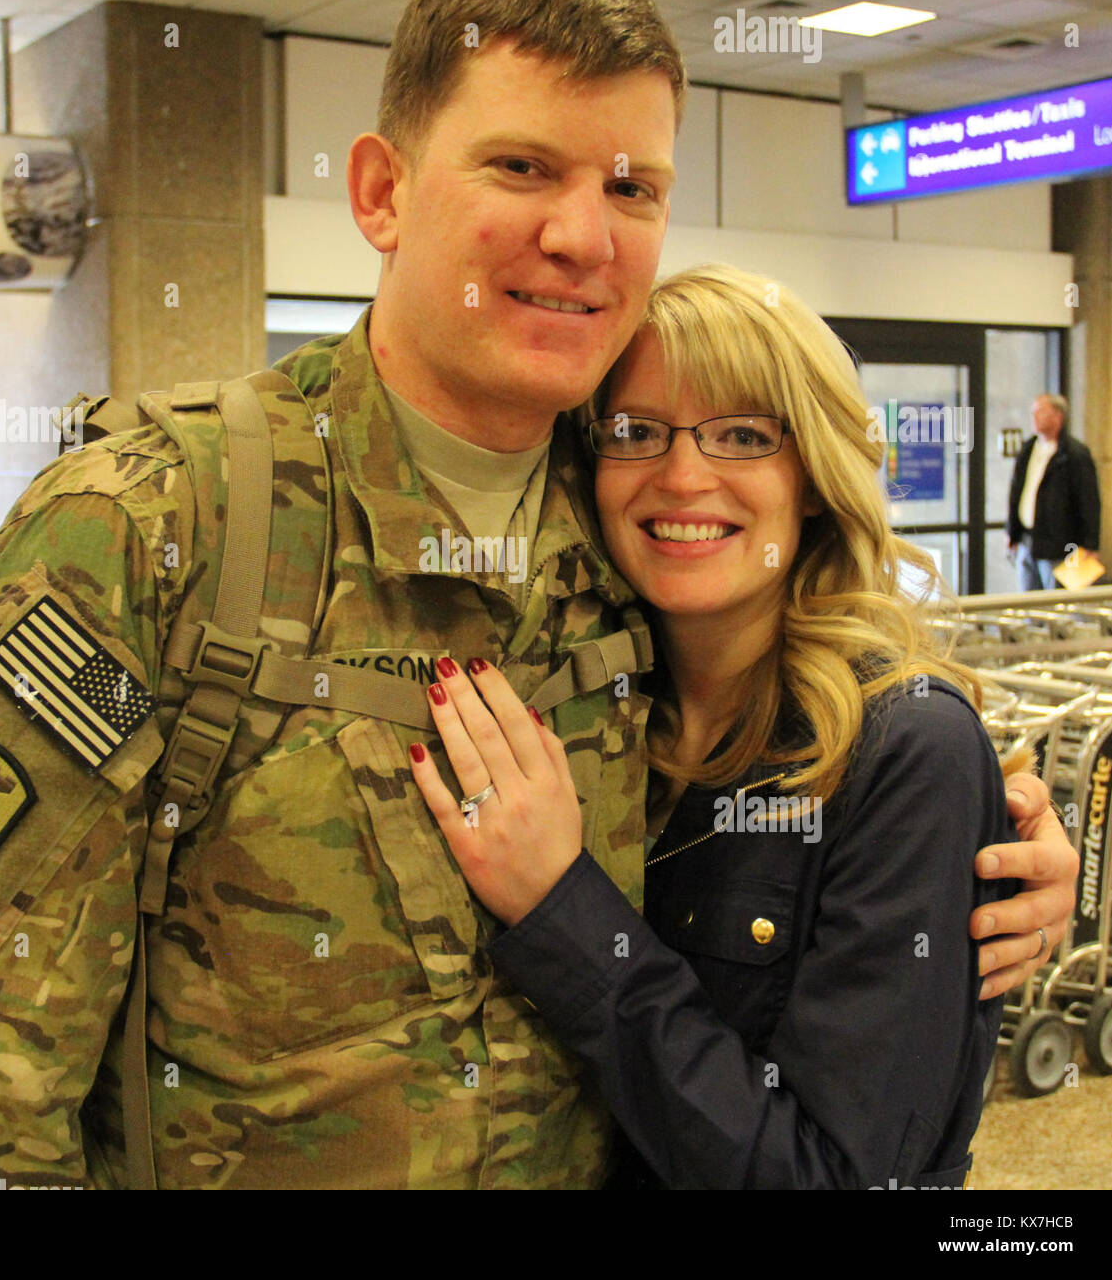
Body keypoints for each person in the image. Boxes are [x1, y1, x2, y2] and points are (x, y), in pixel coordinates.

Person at [0, 0, 1073, 1191]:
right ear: (381, 191)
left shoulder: (631, 532)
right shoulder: (158, 530)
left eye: (631, 186)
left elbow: (795, 753)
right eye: (521, 166)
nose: (579, 234)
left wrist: (991, 841)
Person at [410, 265, 1030, 1188]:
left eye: (742, 435)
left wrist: (559, 910)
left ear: (813, 477)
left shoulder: (902, 754)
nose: (684, 475)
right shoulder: (586, 713)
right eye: (638, 432)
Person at [1006, 393, 1101, 590]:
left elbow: (1089, 501)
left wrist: (1090, 544)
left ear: (1058, 417)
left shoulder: (1074, 454)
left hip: (1060, 545)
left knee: (1058, 604)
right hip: (1027, 540)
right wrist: (1012, 533)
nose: (1034, 417)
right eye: (1033, 412)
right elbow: (1016, 492)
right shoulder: (1028, 449)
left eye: (1040, 412)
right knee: (1029, 604)